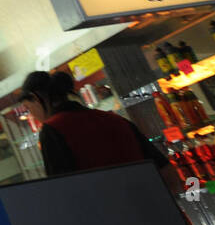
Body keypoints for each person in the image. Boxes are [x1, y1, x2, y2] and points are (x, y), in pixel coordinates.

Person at [22, 70, 172, 181]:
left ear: (36, 98)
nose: (32, 116)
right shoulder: (114, 119)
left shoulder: (52, 130)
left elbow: (65, 189)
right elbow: (167, 172)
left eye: (29, 109)